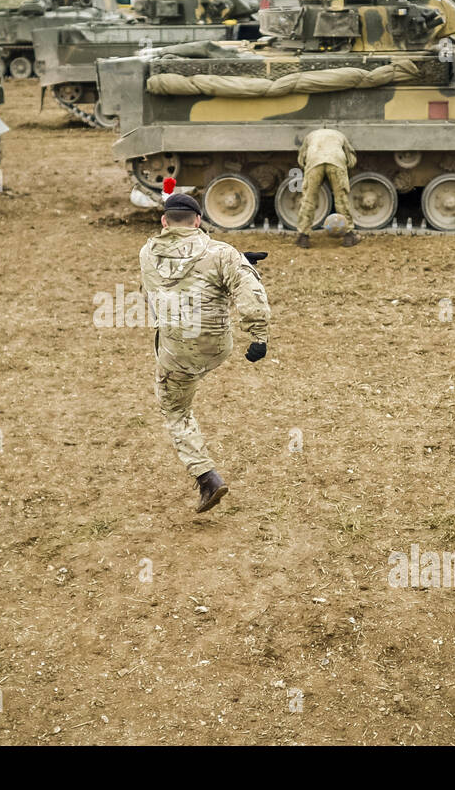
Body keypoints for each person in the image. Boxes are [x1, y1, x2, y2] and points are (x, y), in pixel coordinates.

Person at [139, 190, 270, 511]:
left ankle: (207, 478)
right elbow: (249, 290)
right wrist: (259, 336)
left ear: (163, 221)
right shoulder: (221, 253)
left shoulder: (146, 253)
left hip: (175, 351)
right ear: (198, 220)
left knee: (176, 412)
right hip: (216, 345)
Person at [294, 128, 358, 248]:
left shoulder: (310, 135)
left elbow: (301, 159)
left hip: (314, 161)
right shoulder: (340, 135)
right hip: (336, 161)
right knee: (341, 199)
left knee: (308, 199)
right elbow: (351, 159)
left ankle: (303, 236)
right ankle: (348, 236)